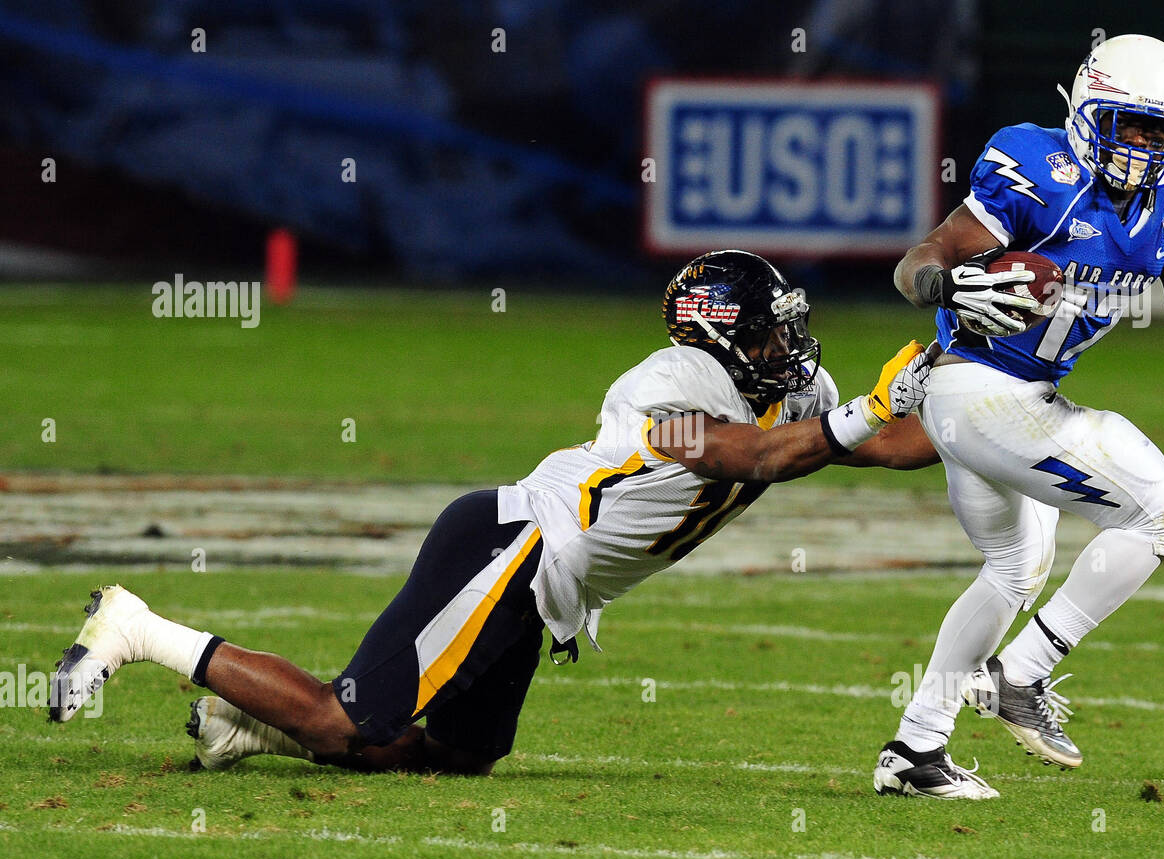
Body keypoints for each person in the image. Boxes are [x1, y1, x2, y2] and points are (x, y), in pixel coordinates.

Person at [51, 249, 943, 778]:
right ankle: (139, 629)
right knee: (345, 721)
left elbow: (880, 443)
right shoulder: (669, 386)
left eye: (784, 329)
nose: (783, 348)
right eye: (763, 333)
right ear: (715, 338)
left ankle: (254, 727)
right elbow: (753, 456)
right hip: (512, 544)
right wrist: (869, 406)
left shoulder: (800, 392)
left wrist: (964, 409)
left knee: (460, 755)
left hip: (551, 586)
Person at [874, 34, 1164, 800]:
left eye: (1158, 130)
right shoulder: (1035, 166)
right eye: (1127, 123)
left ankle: (914, 752)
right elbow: (918, 261)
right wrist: (944, 287)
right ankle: (1020, 673)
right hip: (973, 389)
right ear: (1085, 110)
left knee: (1014, 571)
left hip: (1021, 401)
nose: (1143, 145)